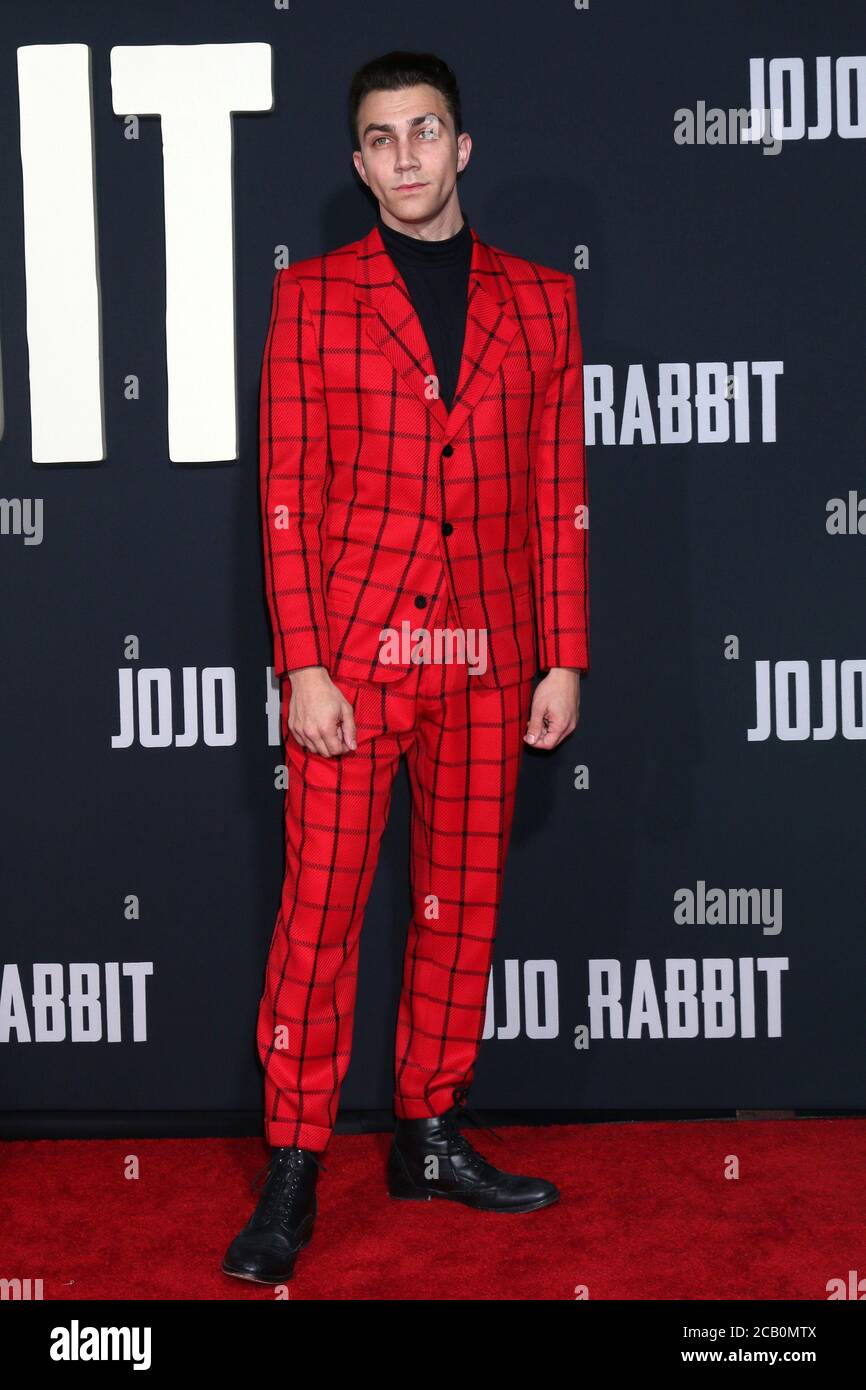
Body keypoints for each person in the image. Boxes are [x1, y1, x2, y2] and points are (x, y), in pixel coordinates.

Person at [222, 49, 590, 1285]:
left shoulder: (541, 301)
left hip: (489, 660)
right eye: (381, 139)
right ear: (358, 162)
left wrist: (562, 658)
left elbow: (557, 495)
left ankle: (427, 1132)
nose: (406, 156)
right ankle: (293, 1159)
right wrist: (303, 667)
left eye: (425, 130)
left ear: (460, 146)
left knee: (459, 905)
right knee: (319, 916)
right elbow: (284, 498)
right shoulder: (311, 299)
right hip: (353, 663)